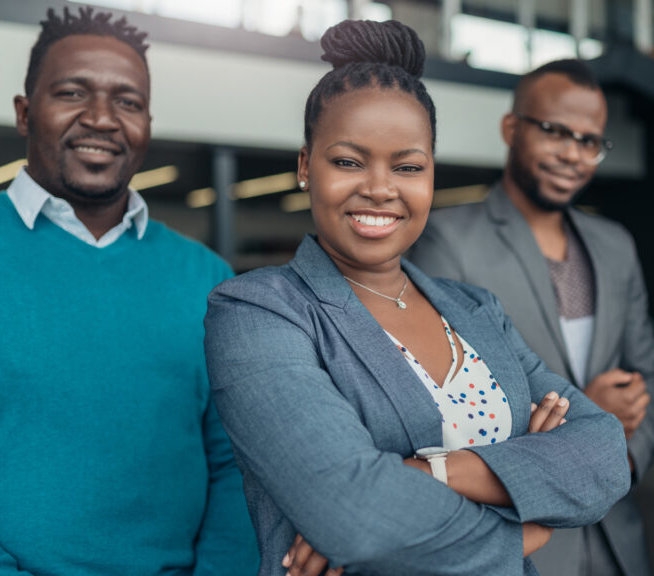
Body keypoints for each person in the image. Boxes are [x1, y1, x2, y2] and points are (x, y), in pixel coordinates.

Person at [204, 19, 630, 576]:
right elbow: (354, 514)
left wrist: (427, 472)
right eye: (349, 161)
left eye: (407, 166)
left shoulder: (476, 310)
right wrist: (524, 523)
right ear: (307, 167)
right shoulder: (259, 313)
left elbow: (602, 451)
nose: (381, 188)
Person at [0, 7, 257, 575]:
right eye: (73, 93)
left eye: (128, 102)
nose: (101, 118)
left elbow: (236, 469)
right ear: (25, 114)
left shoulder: (210, 281)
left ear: (147, 123)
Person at [410, 59, 654, 576]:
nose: (573, 154)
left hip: (618, 533)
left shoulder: (615, 245)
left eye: (589, 140)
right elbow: (438, 397)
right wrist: (587, 418)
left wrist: (616, 463)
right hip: (516, 535)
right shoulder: (446, 240)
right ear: (512, 128)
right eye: (555, 131)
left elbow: (651, 377)